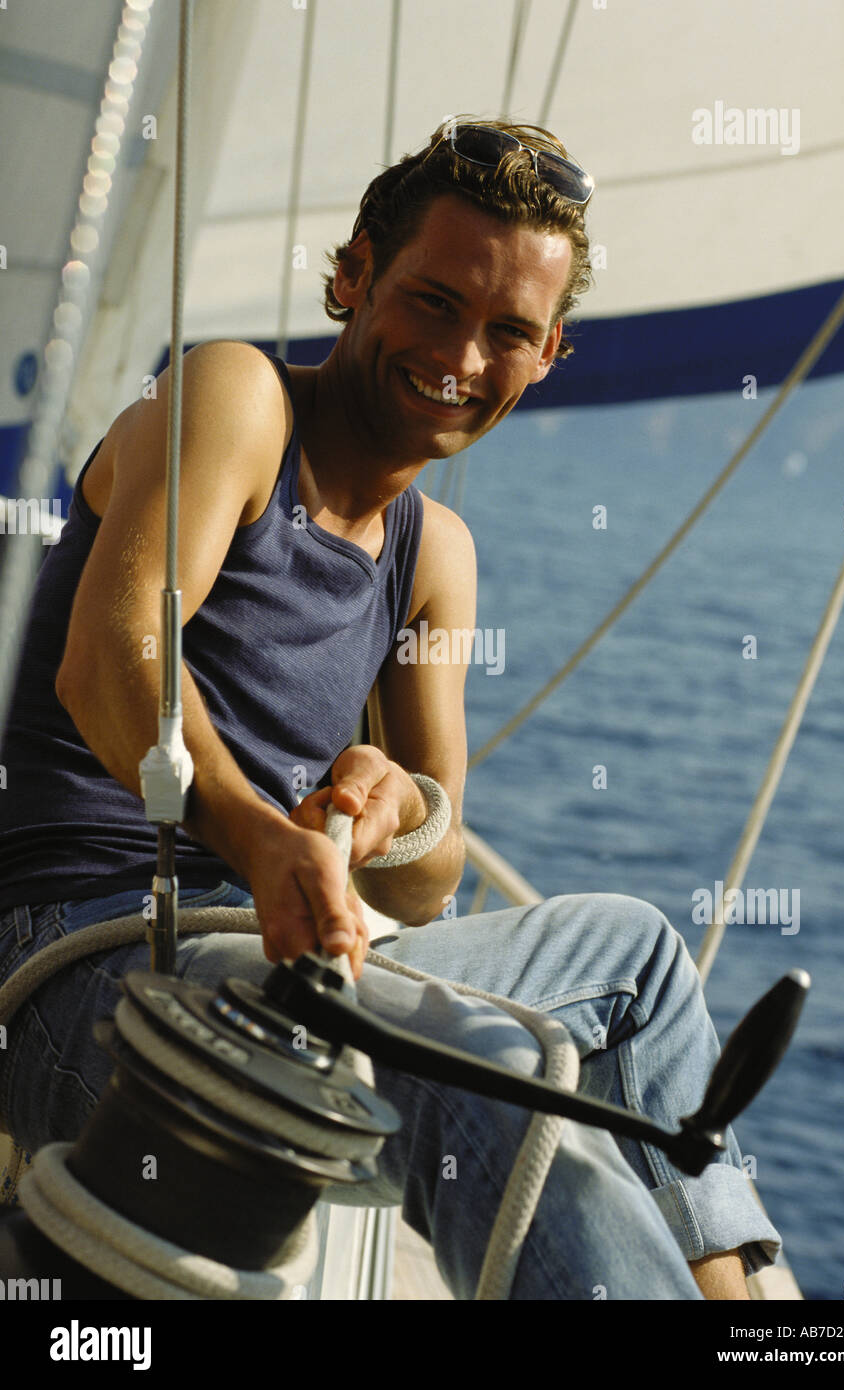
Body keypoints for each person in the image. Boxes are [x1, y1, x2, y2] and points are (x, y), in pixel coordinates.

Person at [0, 116, 780, 1299]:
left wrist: (395, 806)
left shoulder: (434, 555)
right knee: (475, 1077)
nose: (461, 358)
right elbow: (111, 660)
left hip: (282, 965)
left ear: (550, 351)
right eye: (432, 302)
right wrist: (262, 842)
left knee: (642, 958)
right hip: (89, 967)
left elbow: (430, 876)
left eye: (507, 331)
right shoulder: (237, 399)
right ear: (354, 275)